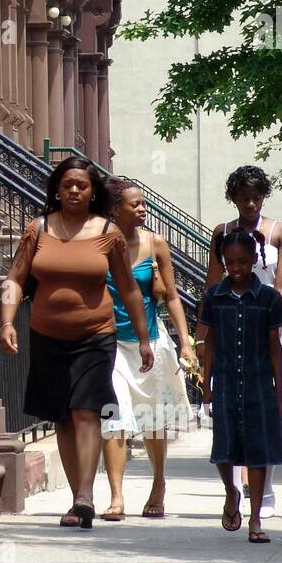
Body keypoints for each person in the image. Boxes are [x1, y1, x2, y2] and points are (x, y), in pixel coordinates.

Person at [0, 156, 153, 529]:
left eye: (81, 185)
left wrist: (144, 338)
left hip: (96, 335)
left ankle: (85, 497)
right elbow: (15, 279)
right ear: (56, 188)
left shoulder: (108, 232)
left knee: (87, 410)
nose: (73, 190)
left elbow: (129, 288)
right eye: (67, 184)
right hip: (47, 335)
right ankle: (76, 494)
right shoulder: (37, 229)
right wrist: (7, 321)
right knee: (63, 416)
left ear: (92, 191)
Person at [197, 165, 282, 519]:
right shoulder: (222, 232)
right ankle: (233, 490)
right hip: (229, 321)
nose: (250, 203)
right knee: (230, 410)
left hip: (269, 321)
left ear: (264, 196)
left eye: (256, 196)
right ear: (233, 198)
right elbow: (212, 284)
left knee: (268, 409)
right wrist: (203, 337)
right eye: (243, 197)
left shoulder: (279, 231)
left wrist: (273, 320)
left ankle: (266, 491)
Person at [98, 177, 197, 520]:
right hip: (110, 343)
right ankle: (116, 496)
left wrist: (185, 342)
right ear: (114, 209)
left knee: (153, 419)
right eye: (135, 204)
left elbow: (171, 296)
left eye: (143, 203)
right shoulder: (98, 241)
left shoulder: (156, 243)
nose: (143, 209)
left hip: (150, 342)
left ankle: (158, 485)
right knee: (114, 416)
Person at [199, 230, 282, 544]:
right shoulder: (214, 296)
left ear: (254, 260)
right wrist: (206, 384)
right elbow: (208, 342)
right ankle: (231, 491)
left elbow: (275, 345)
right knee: (224, 443)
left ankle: (255, 518)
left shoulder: (268, 298)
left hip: (259, 380)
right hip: (224, 379)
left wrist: (279, 391)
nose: (236, 267)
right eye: (229, 262)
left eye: (242, 261)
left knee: (258, 448)